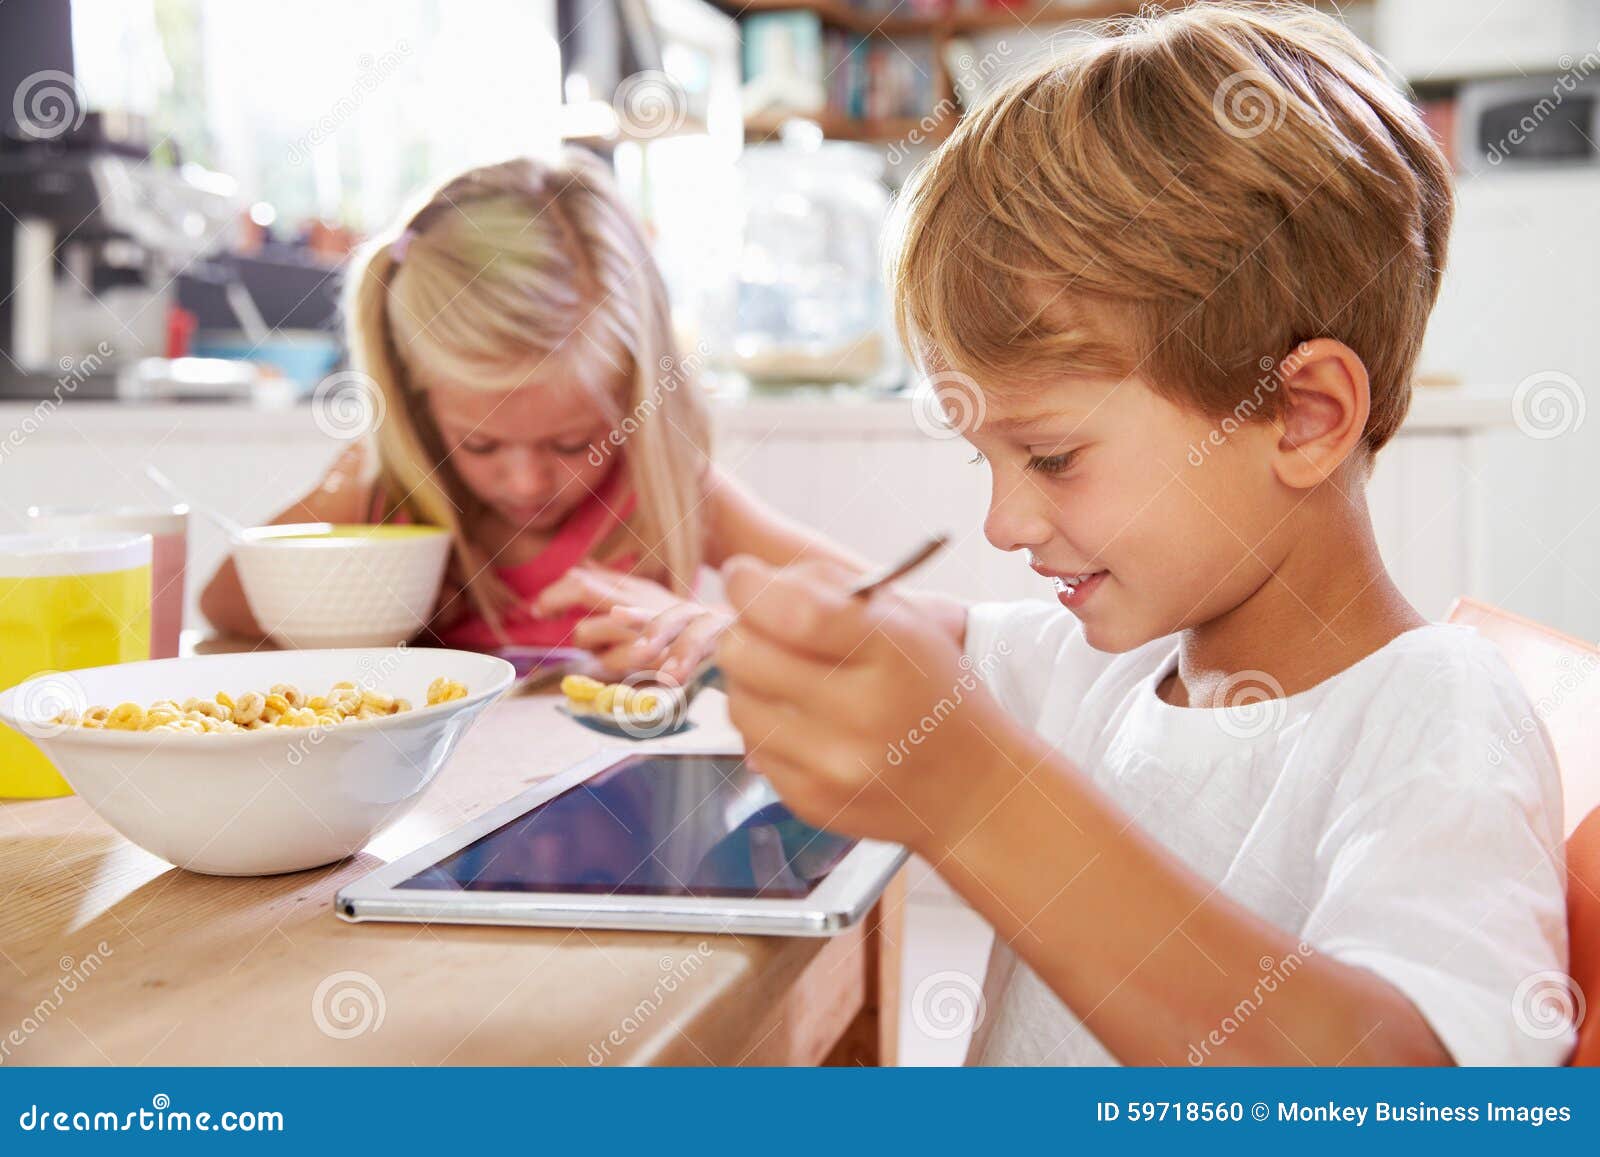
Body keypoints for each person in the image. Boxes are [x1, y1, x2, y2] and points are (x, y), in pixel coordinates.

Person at [713, 1, 1573, 1065]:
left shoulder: (1430, 713)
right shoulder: (1109, 667)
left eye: (1054, 456)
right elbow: (892, 634)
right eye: (986, 459)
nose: (1005, 520)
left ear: (1299, 416)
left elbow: (1415, 1099)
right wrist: (722, 571)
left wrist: (980, 802)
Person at [201, 152, 854, 676]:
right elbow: (223, 602)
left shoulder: (668, 490)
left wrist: (719, 634)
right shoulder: (382, 495)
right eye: (481, 445)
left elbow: (875, 611)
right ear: (417, 403)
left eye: (573, 443)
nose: (527, 482)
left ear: (633, 397)